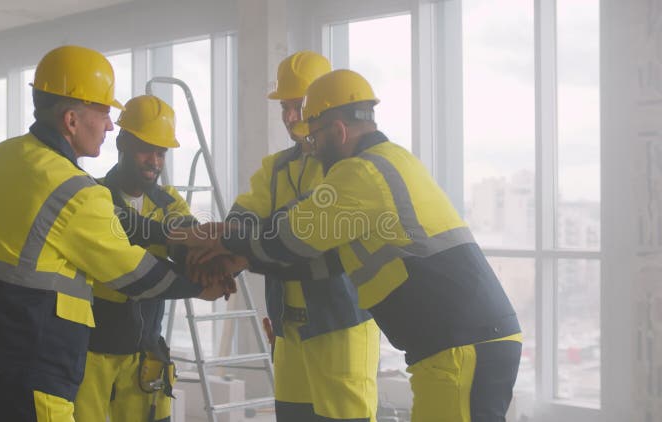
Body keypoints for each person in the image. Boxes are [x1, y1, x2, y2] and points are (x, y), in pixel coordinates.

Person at [178, 69, 523, 422]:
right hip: (464, 341)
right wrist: (241, 255)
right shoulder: (394, 159)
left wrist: (220, 240)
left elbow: (289, 237)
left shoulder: (361, 173)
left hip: (459, 346)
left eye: (314, 137)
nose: (311, 148)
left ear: (339, 131)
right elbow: (307, 251)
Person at [0, 45, 228, 422]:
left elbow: (129, 225)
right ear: (71, 119)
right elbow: (135, 272)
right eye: (104, 112)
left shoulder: (1, 156)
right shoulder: (77, 190)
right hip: (31, 371)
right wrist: (200, 286)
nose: (109, 125)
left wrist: (186, 239)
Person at [202, 51, 380, 421]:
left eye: (298, 106)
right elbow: (240, 221)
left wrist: (242, 253)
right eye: (285, 107)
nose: (290, 116)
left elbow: (307, 244)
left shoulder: (346, 169)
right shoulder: (276, 168)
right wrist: (226, 257)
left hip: (341, 327)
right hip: (289, 330)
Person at [73, 95, 197, 422]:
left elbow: (191, 244)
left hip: (145, 354)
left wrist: (218, 259)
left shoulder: (169, 203)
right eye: (146, 149)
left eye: (161, 153)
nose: (154, 161)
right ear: (122, 143)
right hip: (93, 354)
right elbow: (122, 237)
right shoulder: (94, 195)